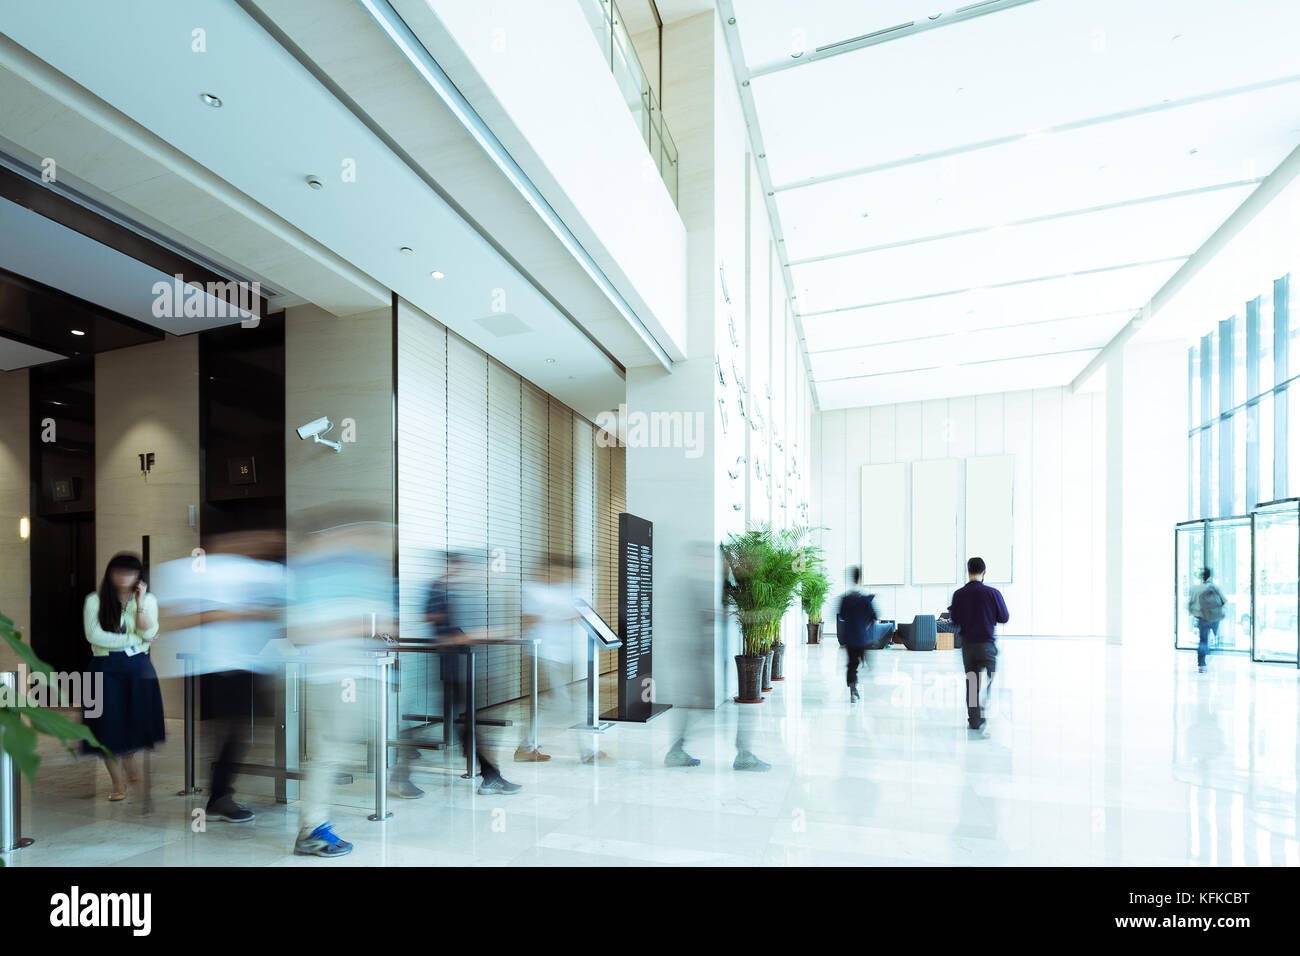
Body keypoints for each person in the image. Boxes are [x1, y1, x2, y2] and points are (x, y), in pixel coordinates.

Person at [153, 529, 286, 824]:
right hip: (221, 665)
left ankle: (220, 794)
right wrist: (226, 615)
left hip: (242, 663)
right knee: (232, 731)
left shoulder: (258, 574)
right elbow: (172, 619)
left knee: (236, 731)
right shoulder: (206, 575)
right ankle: (219, 797)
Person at [428, 551, 522, 794]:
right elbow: (444, 631)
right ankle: (490, 774)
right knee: (469, 724)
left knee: (470, 724)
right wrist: (470, 635)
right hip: (455, 668)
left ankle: (487, 771)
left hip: (474, 668)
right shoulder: (440, 590)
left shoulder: (468, 593)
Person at [82, 552, 166, 801]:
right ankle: (118, 783)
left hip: (136, 666)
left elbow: (150, 629)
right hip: (103, 666)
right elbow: (94, 635)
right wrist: (136, 639)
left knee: (133, 719)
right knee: (105, 725)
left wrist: (139, 603)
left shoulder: (148, 599)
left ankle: (129, 760)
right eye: (119, 571)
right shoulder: (94, 600)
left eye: (130, 572)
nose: (124, 577)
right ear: (109, 573)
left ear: (139, 577)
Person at [520, 554, 614, 765]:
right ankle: (527, 746)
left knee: (577, 705)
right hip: (546, 654)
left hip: (569, 655)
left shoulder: (568, 589)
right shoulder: (531, 590)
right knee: (559, 704)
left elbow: (579, 613)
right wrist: (572, 616)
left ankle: (588, 752)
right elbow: (531, 620)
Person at [948, 556, 1009, 738]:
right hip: (987, 645)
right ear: (984, 572)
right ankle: (985, 705)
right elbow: (1004, 617)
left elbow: (955, 621)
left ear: (968, 571)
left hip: (968, 646)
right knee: (993, 679)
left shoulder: (958, 595)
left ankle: (974, 719)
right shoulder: (993, 593)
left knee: (972, 682)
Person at [835, 567, 879, 702]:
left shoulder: (845, 599)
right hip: (862, 638)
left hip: (849, 638)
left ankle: (853, 690)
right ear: (860, 578)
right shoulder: (866, 599)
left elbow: (841, 615)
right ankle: (865, 663)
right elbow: (874, 616)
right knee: (860, 660)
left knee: (851, 665)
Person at [1188, 568, 1226, 674]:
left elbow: (1190, 604)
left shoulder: (1195, 588)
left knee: (1203, 641)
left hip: (1202, 618)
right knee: (1214, 634)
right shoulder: (1215, 588)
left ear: (1201, 576)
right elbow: (1223, 601)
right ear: (1210, 577)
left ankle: (1202, 665)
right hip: (1214, 618)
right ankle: (1216, 639)